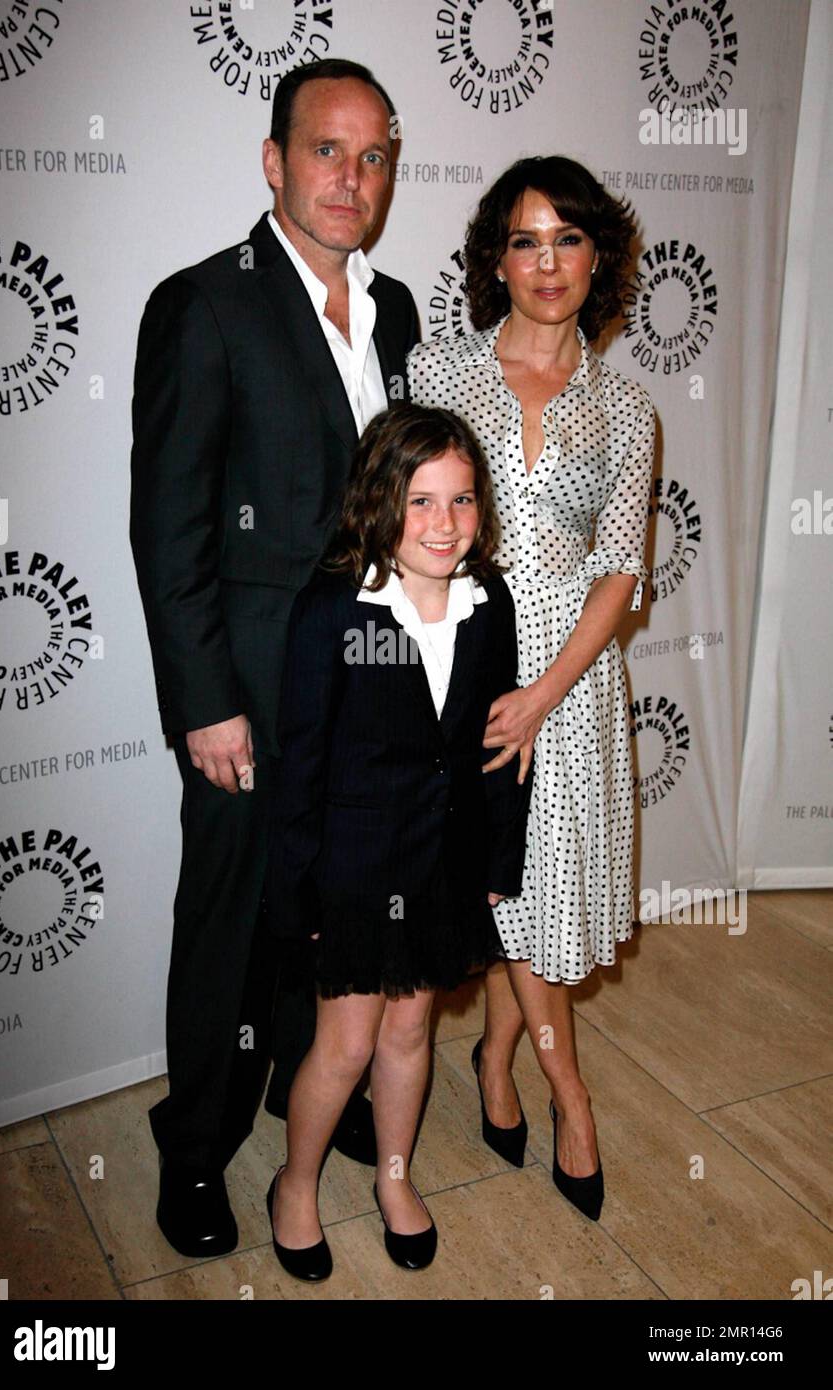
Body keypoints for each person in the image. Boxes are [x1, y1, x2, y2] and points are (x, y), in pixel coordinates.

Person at [129, 59, 418, 1259]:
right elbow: (169, 524)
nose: (351, 179)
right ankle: (194, 1147)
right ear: (273, 161)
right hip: (246, 692)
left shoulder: (396, 310)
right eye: (325, 151)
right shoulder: (206, 303)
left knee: (335, 914)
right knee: (231, 924)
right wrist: (204, 705)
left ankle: (324, 1089)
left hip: (366, 686)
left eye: (373, 156)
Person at [408, 156, 656, 1221]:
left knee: (539, 904)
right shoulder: (436, 373)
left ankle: (497, 1064)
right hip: (463, 665)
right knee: (509, 897)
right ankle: (569, 1093)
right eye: (523, 239)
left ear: (595, 257)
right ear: (493, 259)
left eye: (566, 239)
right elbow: (407, 528)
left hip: (571, 677)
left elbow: (619, 572)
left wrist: (547, 690)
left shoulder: (629, 407)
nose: (545, 262)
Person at [262, 404, 532, 1280]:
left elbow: (496, 750)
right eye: (420, 501)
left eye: (460, 502)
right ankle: (295, 1184)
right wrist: (296, 888)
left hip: (441, 865)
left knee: (410, 1034)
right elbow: (299, 763)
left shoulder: (490, 606)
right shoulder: (333, 608)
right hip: (352, 867)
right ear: (378, 500)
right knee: (343, 1045)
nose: (443, 525)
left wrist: (497, 862)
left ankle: (392, 1175)